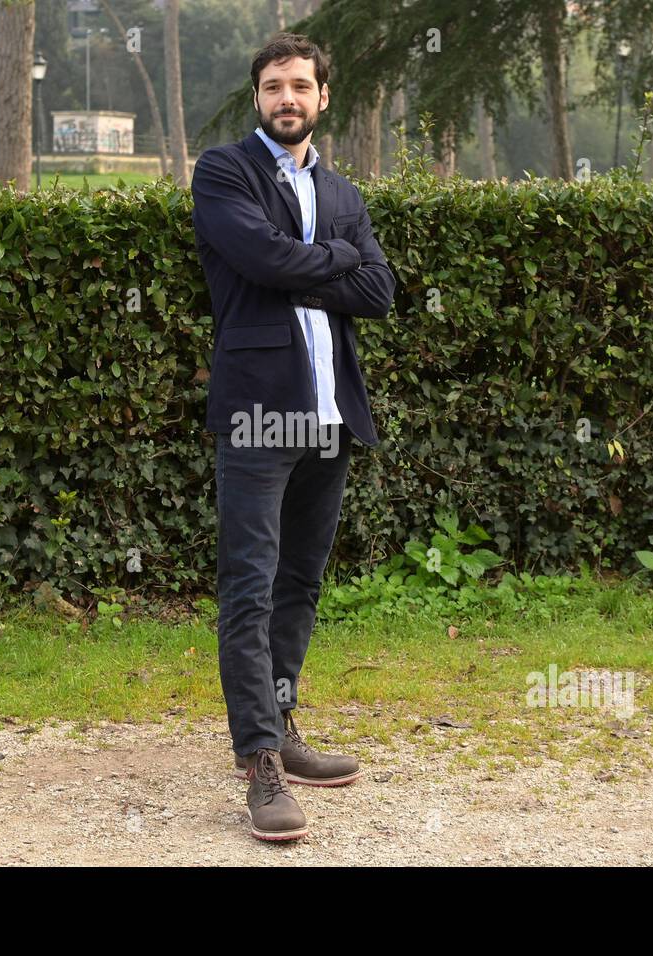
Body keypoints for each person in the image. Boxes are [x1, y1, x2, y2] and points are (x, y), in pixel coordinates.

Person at [189, 32, 397, 841]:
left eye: (300, 86)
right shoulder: (223, 172)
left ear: (322, 98)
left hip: (330, 413)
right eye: (274, 86)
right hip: (256, 409)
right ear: (258, 97)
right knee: (249, 582)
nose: (287, 98)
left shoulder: (341, 191)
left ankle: (284, 723)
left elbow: (380, 291)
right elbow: (259, 257)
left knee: (299, 582)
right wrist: (337, 259)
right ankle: (259, 764)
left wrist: (326, 259)